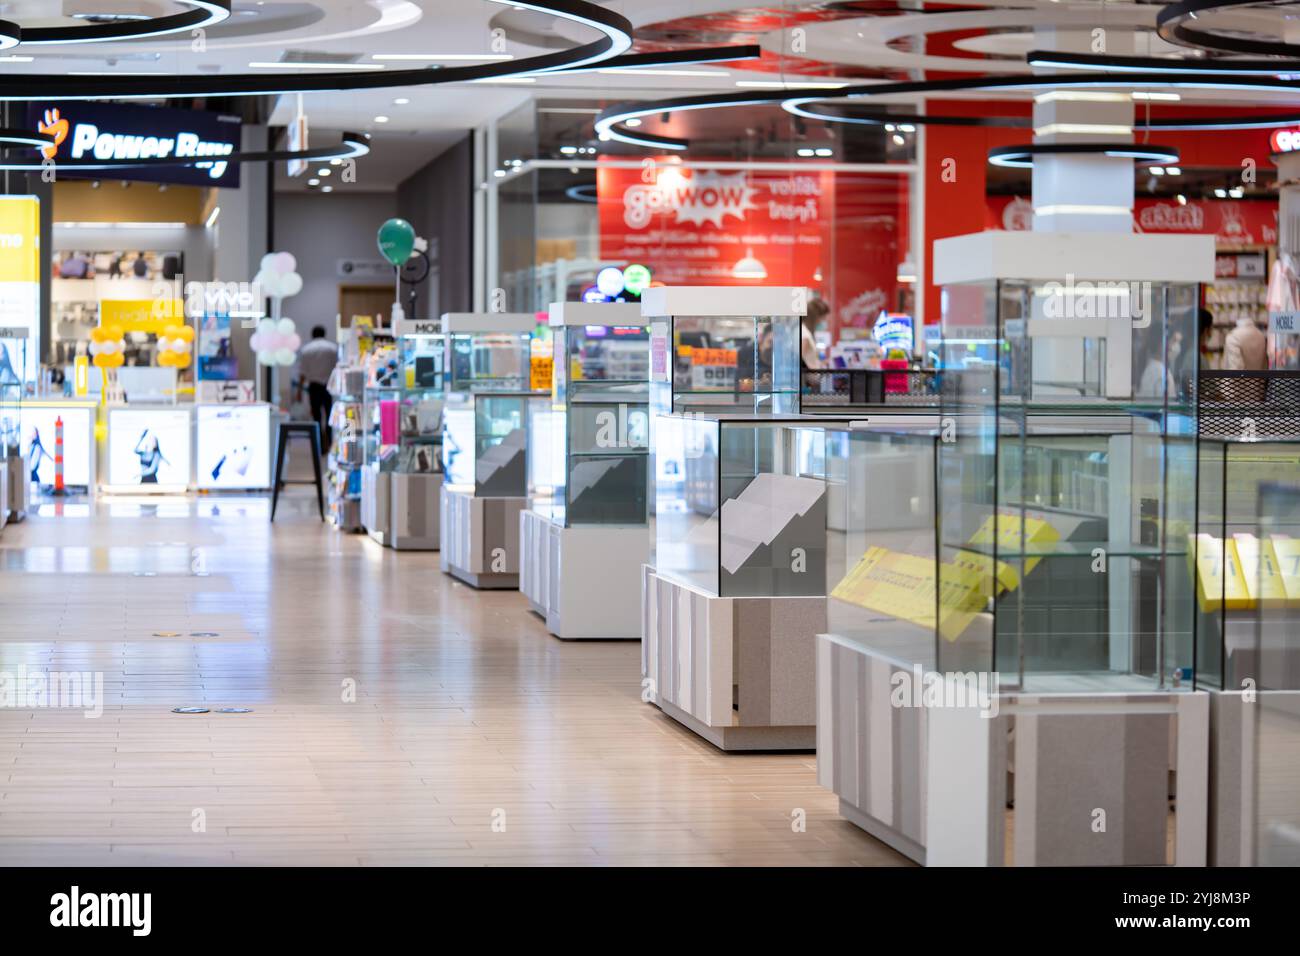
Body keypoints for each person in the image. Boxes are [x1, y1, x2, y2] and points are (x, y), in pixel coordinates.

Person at [297, 326, 339, 451]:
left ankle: (319, 446)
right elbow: (337, 368)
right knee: (329, 416)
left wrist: (299, 390)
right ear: (324, 333)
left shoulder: (306, 350)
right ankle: (330, 443)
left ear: (312, 335)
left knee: (317, 418)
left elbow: (303, 372)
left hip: (314, 387)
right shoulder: (332, 348)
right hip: (328, 386)